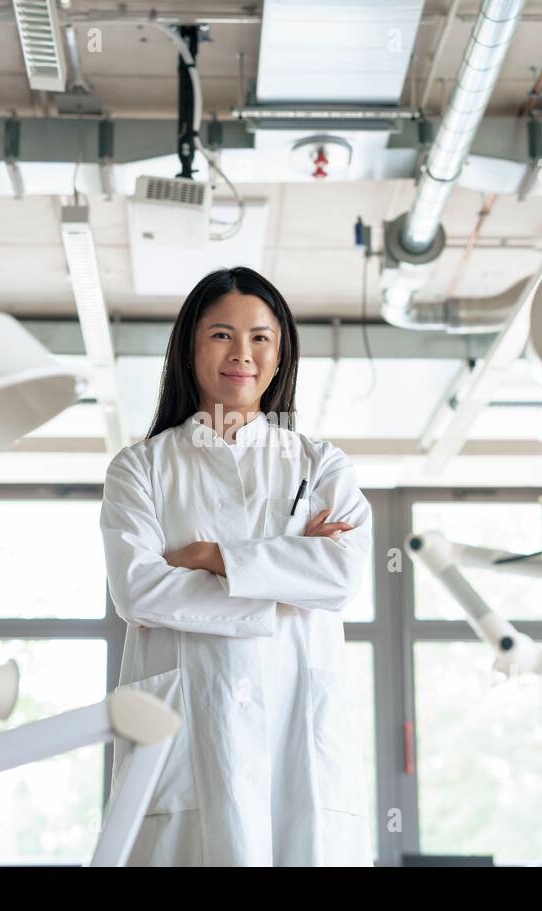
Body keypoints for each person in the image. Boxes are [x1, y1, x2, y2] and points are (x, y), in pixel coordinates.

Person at [99, 266, 374, 866]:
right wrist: (283, 582)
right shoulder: (140, 468)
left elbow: (341, 576)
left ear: (280, 353)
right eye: (221, 335)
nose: (241, 354)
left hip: (297, 735)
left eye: (260, 337)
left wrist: (213, 558)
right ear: (189, 348)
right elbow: (140, 592)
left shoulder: (320, 464)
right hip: (187, 742)